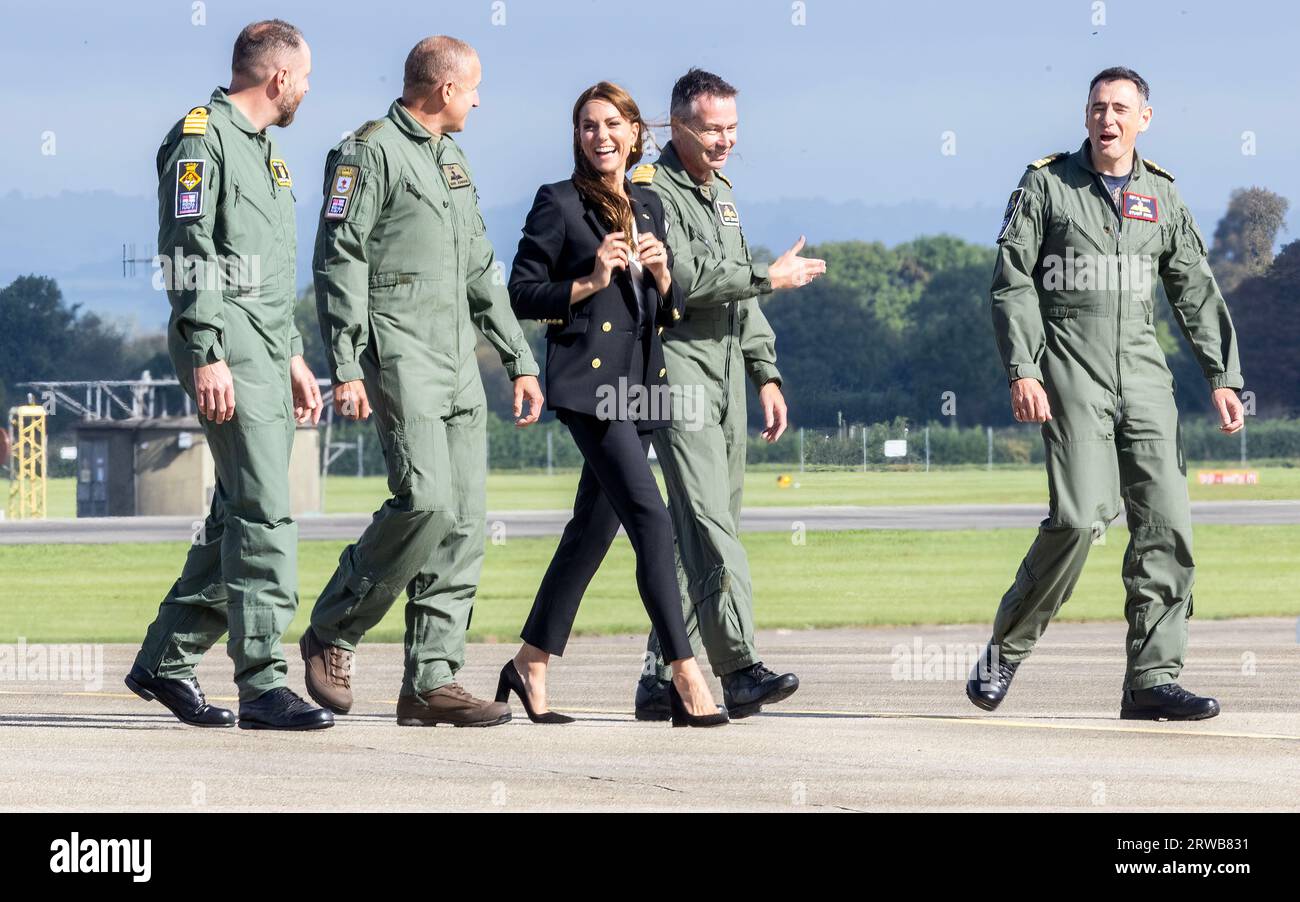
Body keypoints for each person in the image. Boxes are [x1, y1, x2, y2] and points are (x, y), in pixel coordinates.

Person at [969, 66, 1245, 721]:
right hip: (1070, 368)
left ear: (1144, 118)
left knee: (1167, 528)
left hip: (1147, 377)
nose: (1108, 119)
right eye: (1098, 107)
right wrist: (1024, 369)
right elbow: (1012, 284)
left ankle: (1152, 678)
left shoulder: (1163, 196)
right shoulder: (1048, 185)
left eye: (1121, 108)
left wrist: (1223, 376)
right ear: (1085, 115)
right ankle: (1005, 651)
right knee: (1078, 518)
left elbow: (1194, 288)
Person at [300, 36, 543, 727]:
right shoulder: (367, 151)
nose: (477, 101)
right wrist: (346, 363)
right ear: (442, 90)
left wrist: (519, 356)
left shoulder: (450, 159)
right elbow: (338, 258)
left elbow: (481, 268)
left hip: (456, 361)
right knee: (425, 501)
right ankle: (333, 629)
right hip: (399, 351)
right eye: (472, 89)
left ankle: (431, 682)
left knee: (464, 522)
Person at [126, 20, 332, 731]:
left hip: (266, 342)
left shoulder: (266, 153)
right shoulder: (201, 137)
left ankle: (165, 659)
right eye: (304, 76)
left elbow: (270, 270)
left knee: (236, 512)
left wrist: (296, 353)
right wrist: (207, 348)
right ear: (278, 78)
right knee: (265, 511)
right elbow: (188, 251)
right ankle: (263, 684)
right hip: (223, 338)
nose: (307, 89)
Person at [502, 82, 727, 727]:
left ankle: (529, 661)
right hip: (588, 388)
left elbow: (669, 311)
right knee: (652, 521)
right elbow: (521, 292)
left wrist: (663, 280)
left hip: (641, 389)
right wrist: (589, 280)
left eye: (611, 125)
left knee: (592, 531)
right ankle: (687, 676)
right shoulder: (559, 203)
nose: (599, 137)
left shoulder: (649, 205)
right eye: (587, 126)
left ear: (634, 133)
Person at [632, 69, 827, 720]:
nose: (725, 141)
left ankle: (663, 676)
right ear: (677, 124)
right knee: (712, 525)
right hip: (675, 367)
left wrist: (765, 372)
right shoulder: (649, 193)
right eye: (713, 128)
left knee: (707, 526)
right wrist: (765, 275)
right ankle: (739, 667)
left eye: (733, 129)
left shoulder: (722, 196)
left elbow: (743, 297)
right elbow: (679, 278)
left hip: (723, 372)